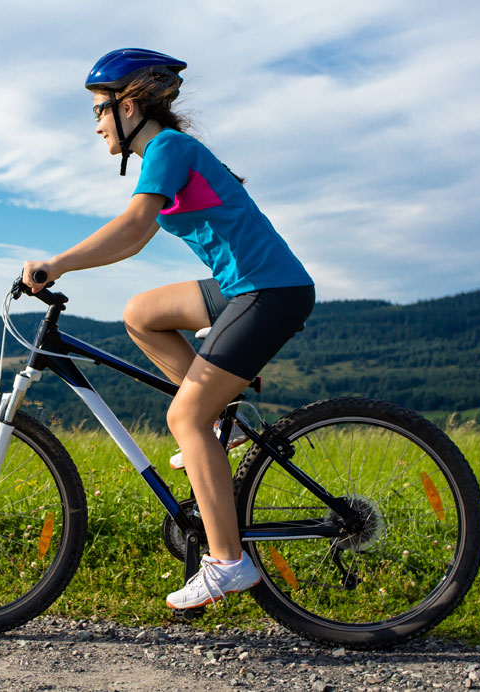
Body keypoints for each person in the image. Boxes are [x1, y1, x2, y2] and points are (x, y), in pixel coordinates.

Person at [22, 48, 315, 610]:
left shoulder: (167, 148)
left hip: (268, 291)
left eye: (99, 112)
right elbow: (138, 235)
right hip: (243, 287)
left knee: (184, 416)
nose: (98, 125)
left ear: (129, 105)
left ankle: (229, 562)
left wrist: (55, 264)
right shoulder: (171, 151)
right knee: (141, 314)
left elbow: (133, 229)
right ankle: (225, 422)